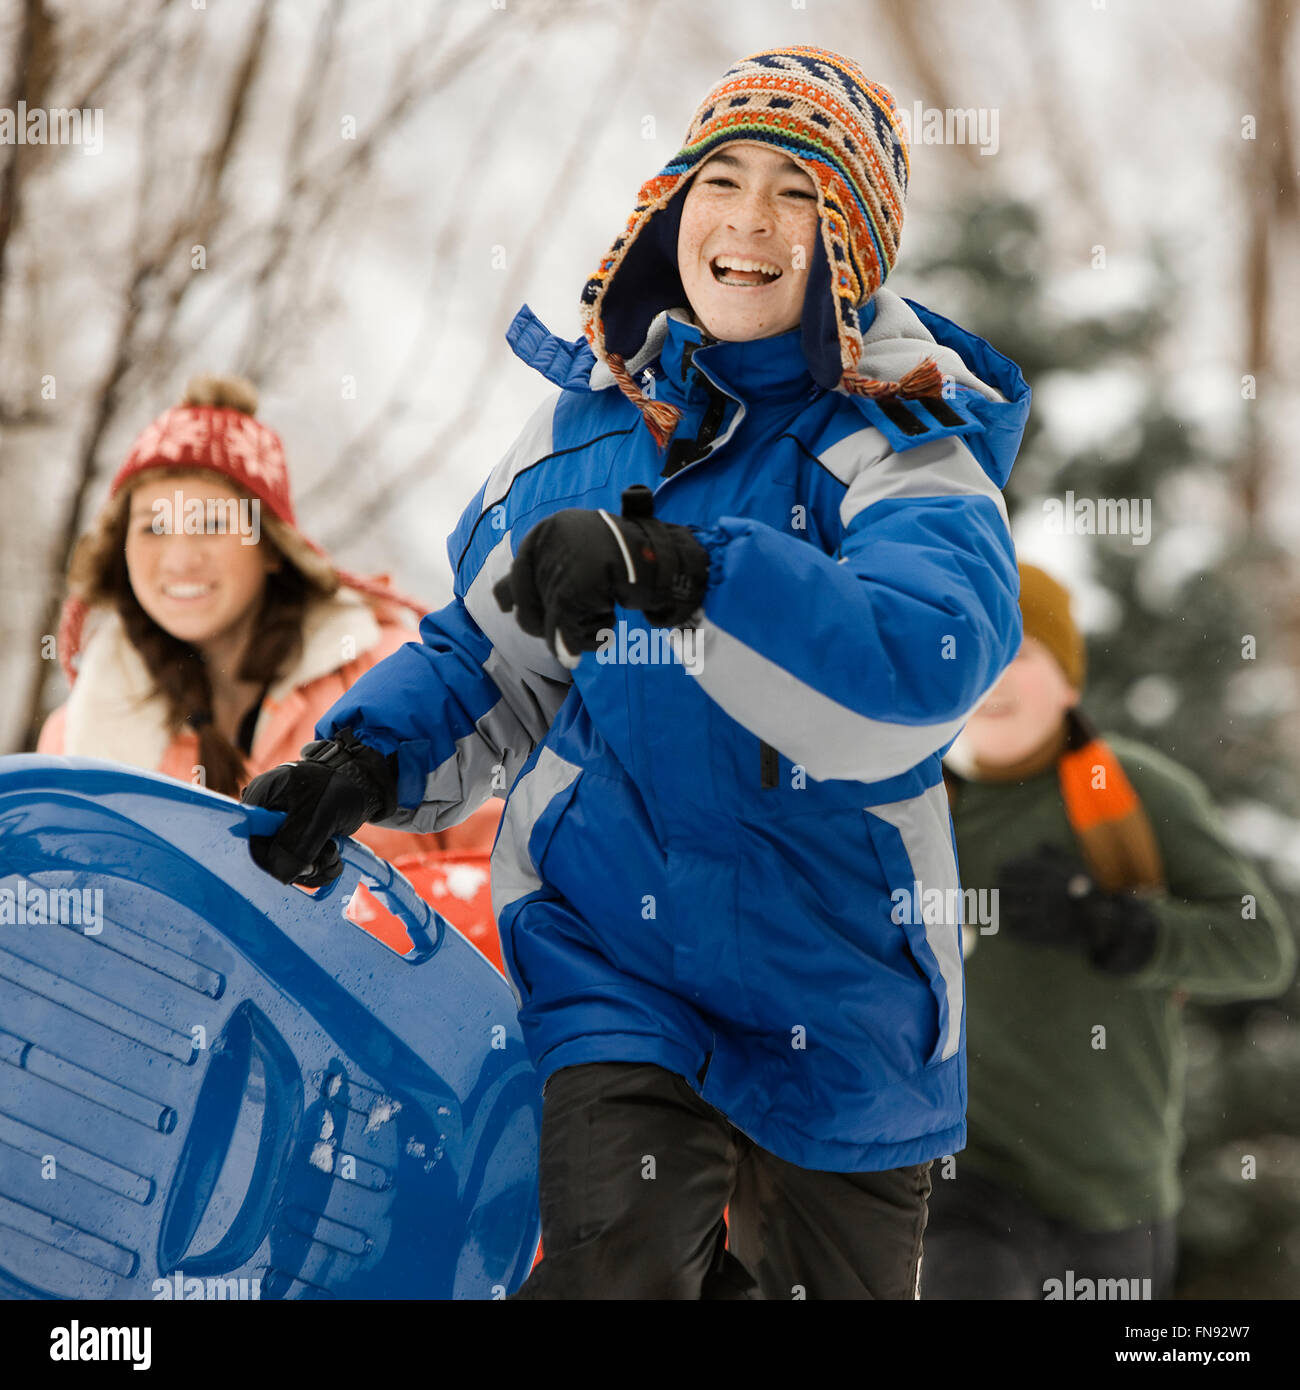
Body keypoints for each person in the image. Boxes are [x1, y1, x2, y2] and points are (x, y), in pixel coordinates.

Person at [241, 46, 1031, 1299]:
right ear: (675, 206)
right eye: (723, 178)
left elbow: (909, 669)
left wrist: (683, 572)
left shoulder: (903, 438)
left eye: (799, 193)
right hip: (618, 954)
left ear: (853, 246)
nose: (751, 221)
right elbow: (489, 655)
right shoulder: (581, 434)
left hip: (841, 990)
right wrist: (362, 758)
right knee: (610, 1271)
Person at [921, 563, 1297, 1300]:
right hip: (966, 1177)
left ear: (1066, 680)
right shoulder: (916, 808)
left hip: (1116, 1194)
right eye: (979, 652)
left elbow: (1261, 950)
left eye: (1021, 654)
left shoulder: (1134, 792)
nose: (996, 677)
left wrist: (1126, 927)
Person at [39, 374, 504, 967]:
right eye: (152, 526)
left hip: (388, 1047)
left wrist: (346, 929)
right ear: (118, 548)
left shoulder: (392, 674)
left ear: (269, 542)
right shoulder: (76, 735)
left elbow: (516, 873)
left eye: (209, 523)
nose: (179, 556)